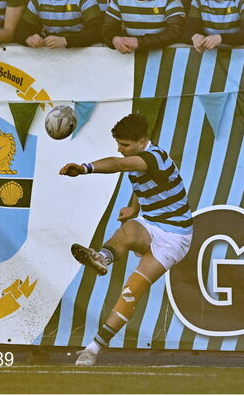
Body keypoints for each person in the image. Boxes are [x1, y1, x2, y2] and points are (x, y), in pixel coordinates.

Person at [61, 113, 194, 368]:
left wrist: (85, 168)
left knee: (133, 289)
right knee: (126, 231)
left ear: (142, 141)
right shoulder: (142, 159)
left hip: (175, 235)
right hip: (151, 223)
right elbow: (140, 180)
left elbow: (119, 164)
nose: (119, 150)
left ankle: (94, 348)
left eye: (124, 145)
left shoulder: (154, 157)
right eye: (118, 144)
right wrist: (134, 209)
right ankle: (101, 257)